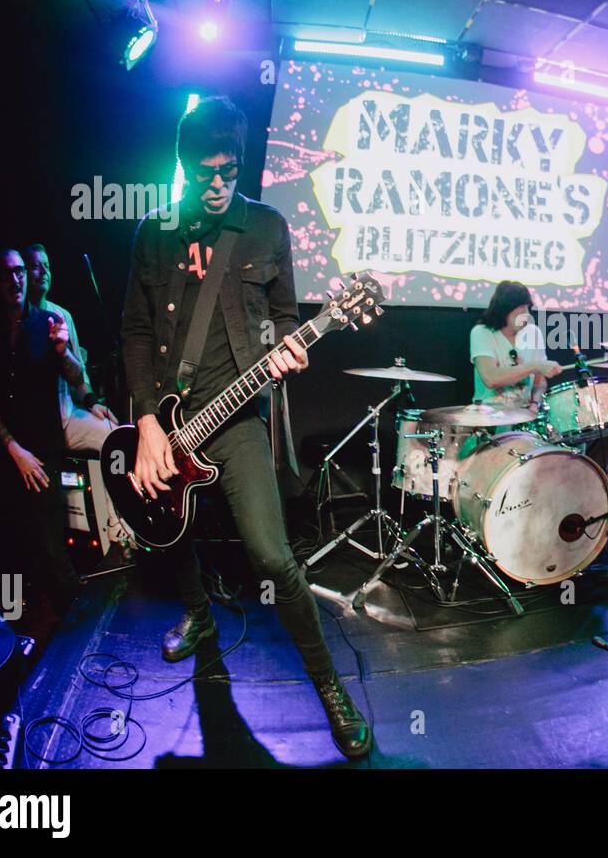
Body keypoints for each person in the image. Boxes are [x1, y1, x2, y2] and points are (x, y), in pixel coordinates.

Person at [121, 96, 370, 759]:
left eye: (228, 171)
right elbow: (136, 333)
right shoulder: (153, 232)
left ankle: (329, 688)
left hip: (234, 420)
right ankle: (200, 617)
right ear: (181, 168)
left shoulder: (266, 227)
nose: (217, 185)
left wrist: (289, 346)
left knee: (271, 556)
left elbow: (284, 317)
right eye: (203, 173)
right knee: (169, 525)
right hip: (166, 420)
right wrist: (146, 422)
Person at [0, 249, 85, 614]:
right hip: (9, 454)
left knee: (53, 544)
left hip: (44, 450)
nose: (15, 280)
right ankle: (35, 620)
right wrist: (12, 449)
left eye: (20, 272)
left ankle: (73, 625)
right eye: (6, 274)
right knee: (19, 540)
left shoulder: (49, 321)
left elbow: (77, 379)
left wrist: (64, 352)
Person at [23, 243, 118, 453]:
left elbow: (79, 373)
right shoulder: (17, 319)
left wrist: (92, 401)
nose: (43, 271)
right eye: (35, 266)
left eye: (46, 266)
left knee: (115, 434)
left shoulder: (62, 316)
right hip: (33, 424)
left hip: (67, 416)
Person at [469, 280, 562, 409]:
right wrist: (535, 365)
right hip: (488, 415)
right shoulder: (482, 332)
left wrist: (535, 404)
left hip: (522, 416)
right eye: (521, 310)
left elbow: (539, 381)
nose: (527, 315)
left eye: (528, 309)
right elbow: (490, 378)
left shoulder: (533, 333)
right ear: (504, 310)